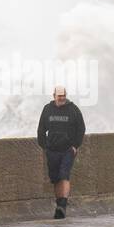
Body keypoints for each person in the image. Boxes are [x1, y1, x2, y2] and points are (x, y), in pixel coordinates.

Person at [37, 85, 86, 219]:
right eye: (59, 96)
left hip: (67, 150)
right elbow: (41, 128)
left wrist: (75, 146)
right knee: (55, 178)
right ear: (54, 96)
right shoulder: (48, 109)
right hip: (52, 149)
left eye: (63, 96)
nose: (62, 98)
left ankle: (63, 206)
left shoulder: (73, 109)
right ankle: (59, 204)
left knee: (64, 174)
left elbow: (81, 128)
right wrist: (44, 146)